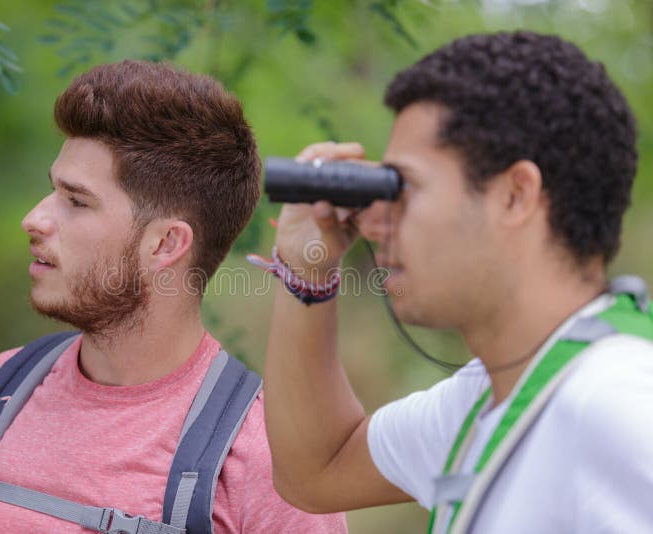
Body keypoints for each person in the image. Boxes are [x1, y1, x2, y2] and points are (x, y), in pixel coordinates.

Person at [0, 60, 346, 533]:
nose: (34, 219)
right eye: (51, 190)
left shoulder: (266, 457)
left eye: (76, 201)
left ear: (166, 244)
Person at [261, 31, 653, 533]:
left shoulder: (617, 405)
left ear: (515, 195)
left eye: (405, 188)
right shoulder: (487, 397)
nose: (374, 223)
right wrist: (306, 269)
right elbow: (318, 470)